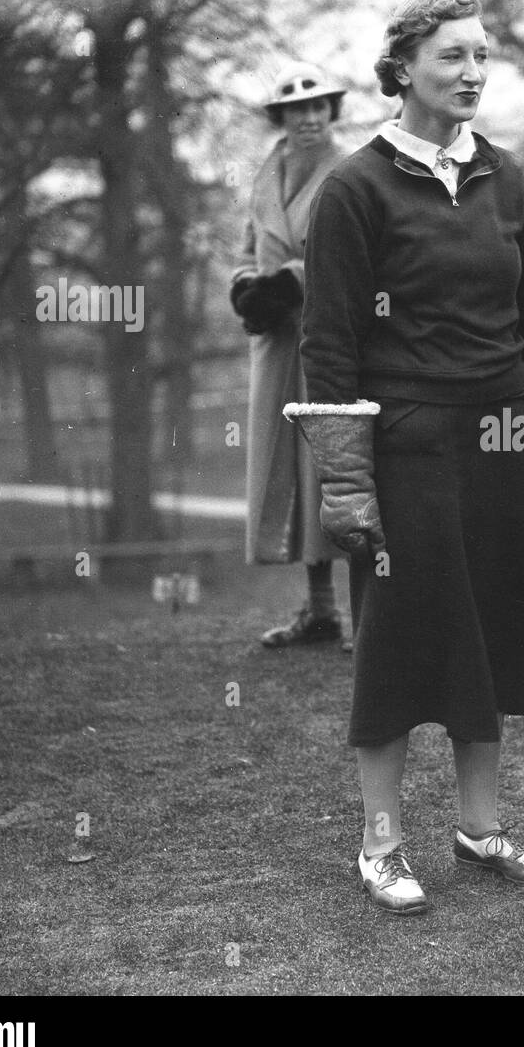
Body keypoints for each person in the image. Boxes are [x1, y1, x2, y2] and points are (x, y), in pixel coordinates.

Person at [290, 0, 524, 915]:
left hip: (501, 440)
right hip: (407, 448)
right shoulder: (355, 187)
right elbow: (330, 339)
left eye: (481, 58)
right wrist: (345, 478)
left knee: (495, 632)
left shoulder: (512, 183)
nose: (471, 74)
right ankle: (380, 844)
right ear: (404, 66)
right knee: (399, 642)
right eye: (452, 56)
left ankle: (481, 827)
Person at [229, 62, 351, 649]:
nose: (307, 117)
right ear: (280, 116)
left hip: (332, 339)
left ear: (332, 111)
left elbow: (362, 252)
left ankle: (373, 617)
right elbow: (248, 247)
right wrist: (246, 286)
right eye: (295, 109)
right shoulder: (265, 172)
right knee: (295, 474)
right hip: (278, 346)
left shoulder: (351, 170)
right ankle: (320, 609)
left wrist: (294, 280)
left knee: (341, 468)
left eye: (318, 106)